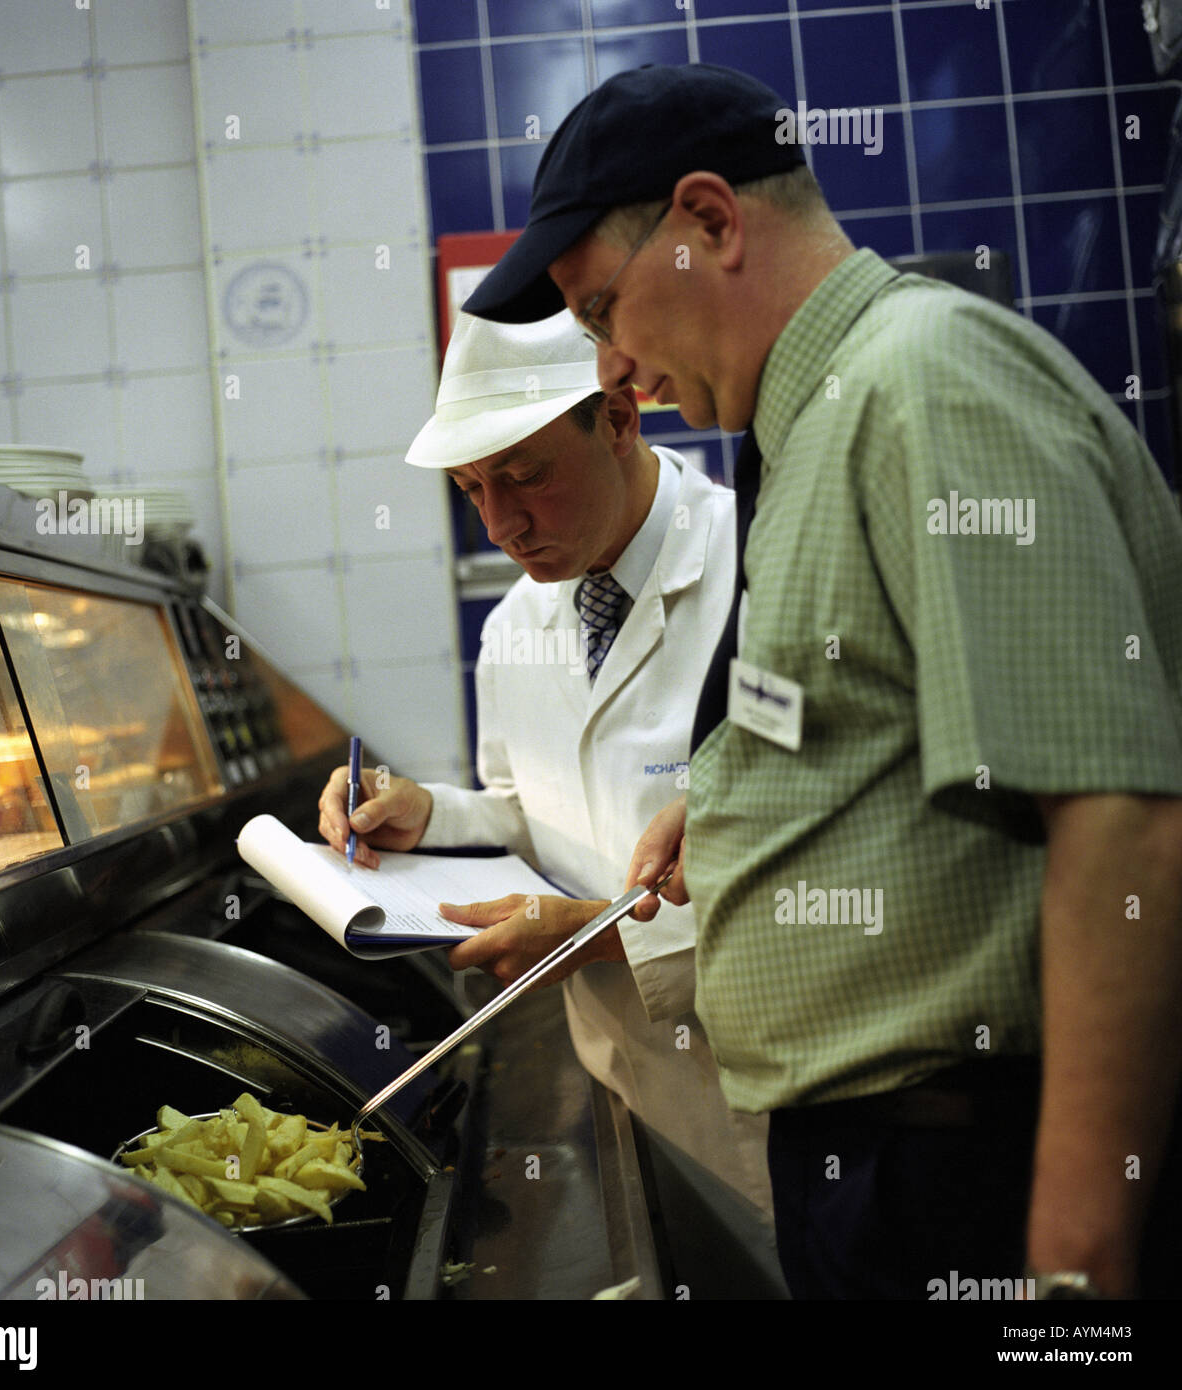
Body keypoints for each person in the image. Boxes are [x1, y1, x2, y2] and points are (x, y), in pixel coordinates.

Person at [461, 62, 1182, 1300]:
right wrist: (740, 808)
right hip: (877, 1170)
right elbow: (868, 723)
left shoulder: (921, 388)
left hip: (965, 1173)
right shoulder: (809, 433)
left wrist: (1073, 1275)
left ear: (710, 222)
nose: (614, 367)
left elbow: (1124, 827)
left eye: (601, 311)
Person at [317, 309, 777, 1224]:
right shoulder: (515, 629)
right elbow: (533, 810)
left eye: (526, 477)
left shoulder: (761, 567)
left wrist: (591, 935)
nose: (502, 525)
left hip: (774, 1090)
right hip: (630, 1090)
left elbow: (817, 866)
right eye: (471, 488)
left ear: (617, 419)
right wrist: (431, 814)